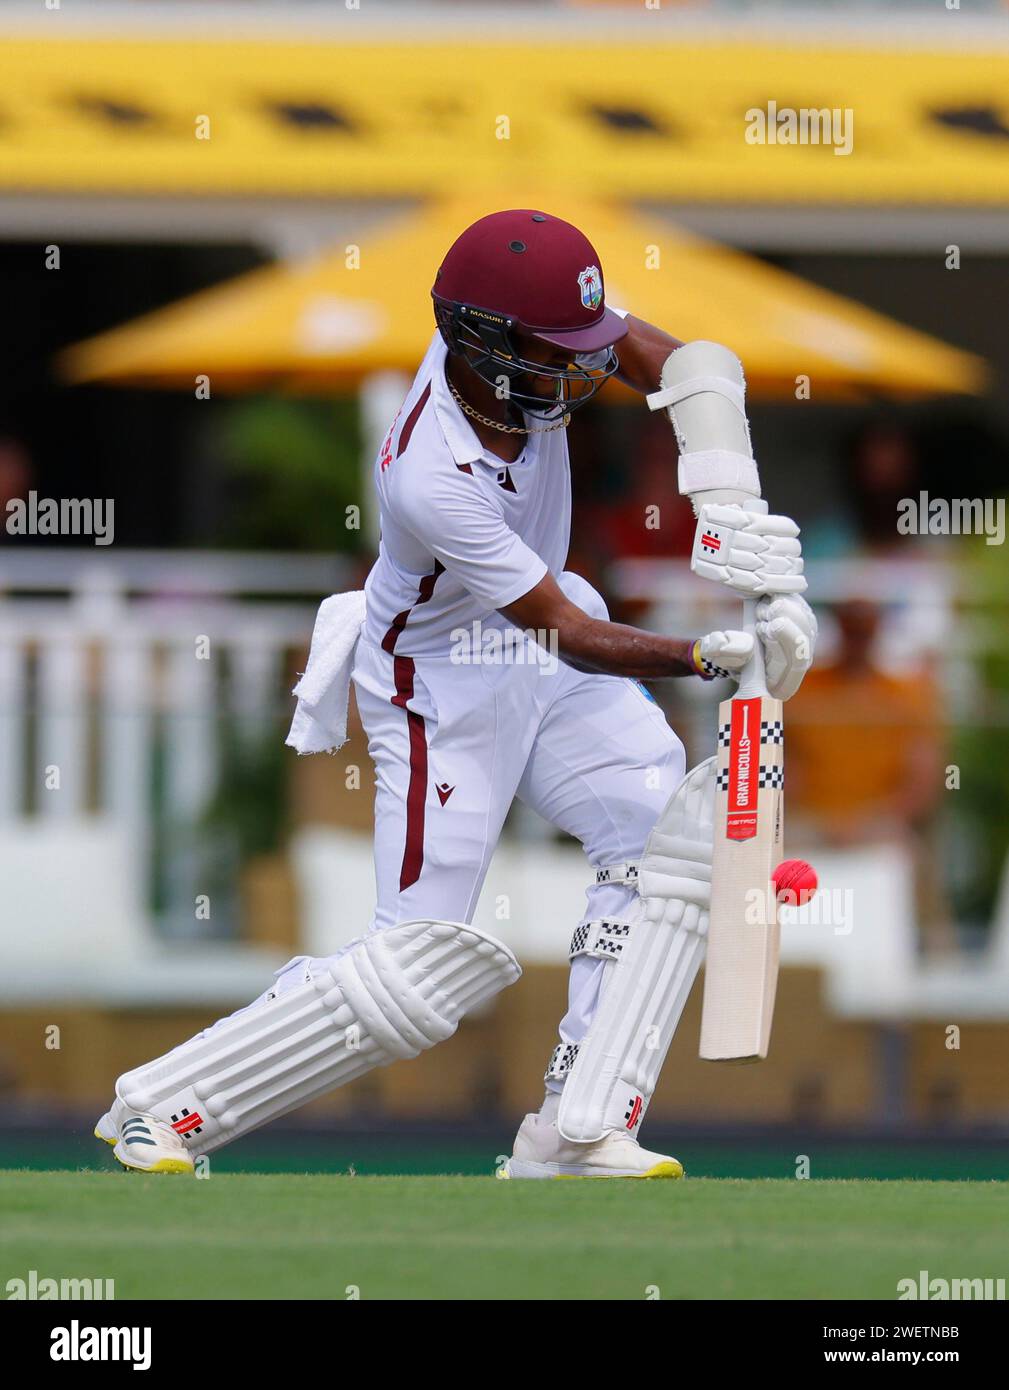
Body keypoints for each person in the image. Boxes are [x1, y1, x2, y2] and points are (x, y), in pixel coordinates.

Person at [95, 210, 816, 1178]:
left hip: (547, 642)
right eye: (557, 354)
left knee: (659, 839)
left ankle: (576, 1126)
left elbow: (686, 366)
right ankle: (161, 1106)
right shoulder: (431, 472)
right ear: (481, 341)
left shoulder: (528, 339)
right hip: (441, 684)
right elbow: (561, 630)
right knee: (418, 974)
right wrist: (705, 658)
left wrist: (743, 532)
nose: (581, 372)